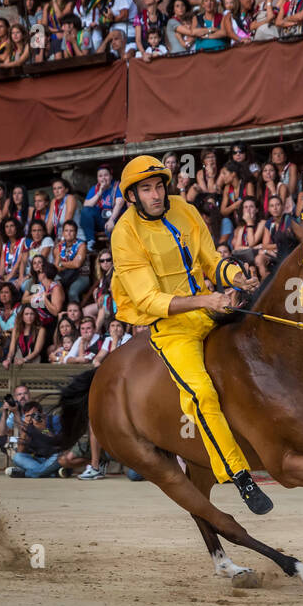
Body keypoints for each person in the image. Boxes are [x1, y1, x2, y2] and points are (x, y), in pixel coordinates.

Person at [109, 155, 270, 513]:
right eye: (146, 189)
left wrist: (234, 277)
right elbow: (148, 299)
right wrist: (204, 299)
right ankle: (239, 474)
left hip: (211, 308)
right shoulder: (124, 234)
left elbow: (211, 259)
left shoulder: (183, 208)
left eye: (159, 186)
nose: (156, 194)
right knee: (200, 394)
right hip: (172, 329)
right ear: (132, 196)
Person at [5, 401, 65, 478]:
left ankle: (26, 473)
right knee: (17, 457)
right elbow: (20, 450)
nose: (31, 418)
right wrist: (25, 430)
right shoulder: (26, 427)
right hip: (36, 459)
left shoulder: (52, 421)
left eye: (34, 415)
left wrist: (43, 429)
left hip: (51, 458)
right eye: (28, 415)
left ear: (42, 414)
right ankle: (51, 473)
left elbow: (58, 442)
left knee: (59, 456)